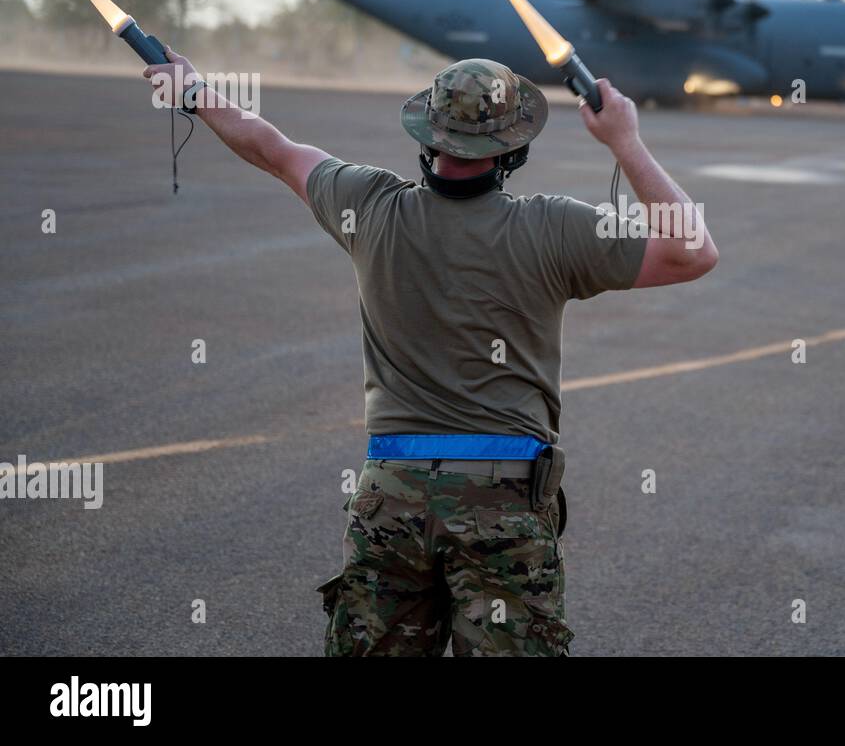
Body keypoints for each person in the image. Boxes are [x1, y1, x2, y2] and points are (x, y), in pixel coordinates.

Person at [144, 51, 718, 656]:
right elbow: (692, 252)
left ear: (427, 135)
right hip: (504, 495)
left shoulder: (366, 205)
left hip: (391, 488)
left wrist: (194, 90)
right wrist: (625, 141)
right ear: (511, 148)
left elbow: (269, 145)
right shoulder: (554, 228)